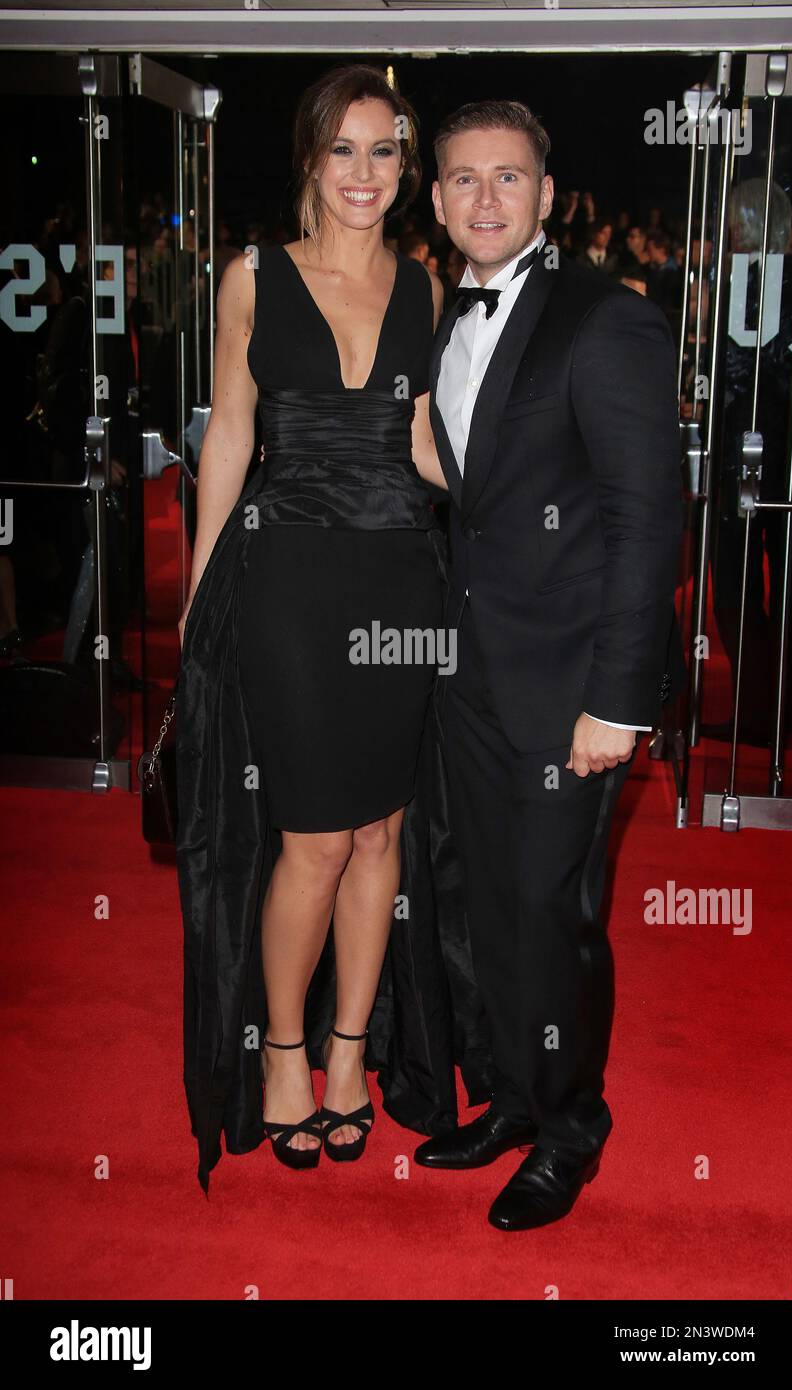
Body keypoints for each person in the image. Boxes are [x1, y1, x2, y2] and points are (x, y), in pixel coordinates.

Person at [175, 64, 465, 1193]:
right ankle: (281, 1053)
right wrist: (202, 592)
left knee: (381, 834)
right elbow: (230, 435)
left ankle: (351, 1051)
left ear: (405, 168)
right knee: (313, 839)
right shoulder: (253, 275)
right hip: (289, 581)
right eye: (342, 148)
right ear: (310, 159)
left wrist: (526, 489)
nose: (363, 171)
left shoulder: (426, 287)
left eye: (383, 150)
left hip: (401, 580)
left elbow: (425, 444)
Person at [414, 100, 684, 1230]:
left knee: (549, 907)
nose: (485, 198)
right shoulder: (441, 317)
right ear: (436, 198)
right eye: (463, 178)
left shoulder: (603, 319)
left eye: (508, 177)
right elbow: (478, 492)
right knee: (483, 899)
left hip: (570, 685)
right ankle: (515, 1097)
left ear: (547, 195)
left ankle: (571, 1128)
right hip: (469, 675)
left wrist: (616, 700)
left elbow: (645, 519)